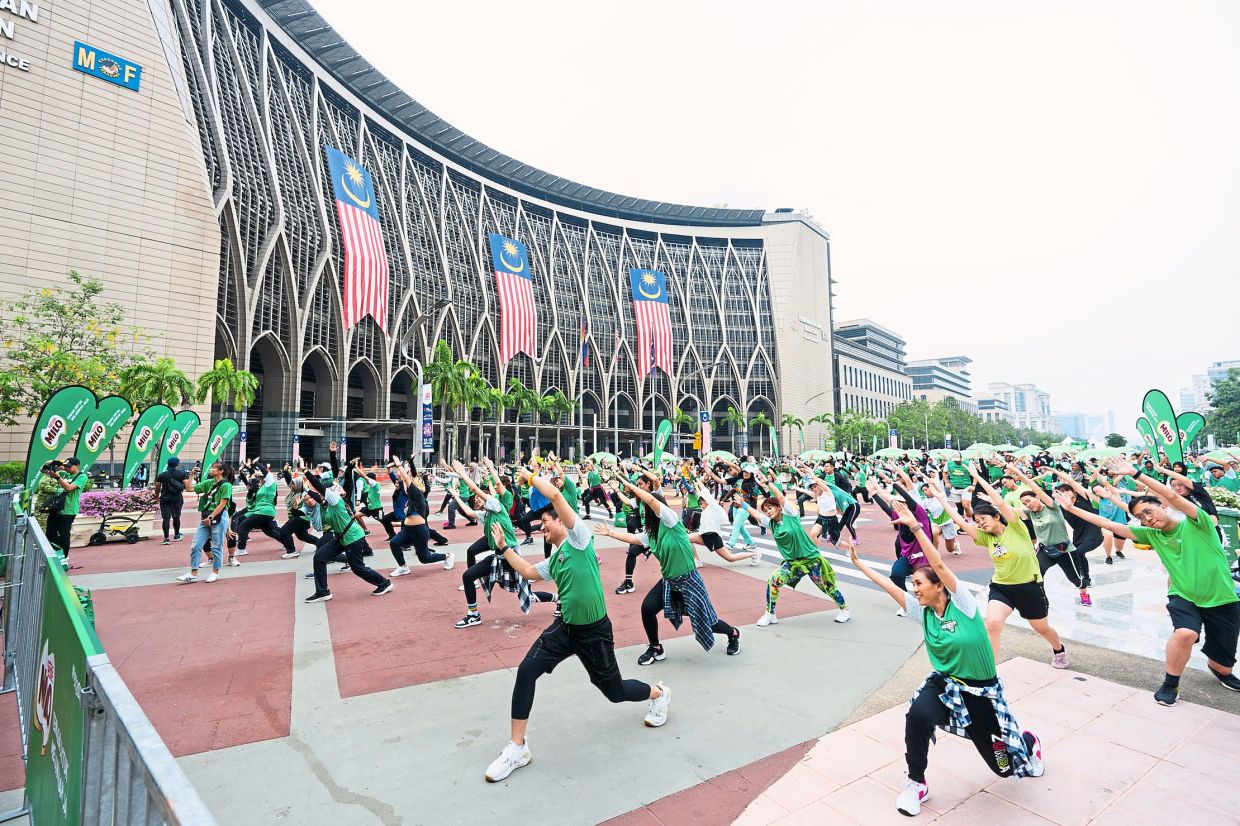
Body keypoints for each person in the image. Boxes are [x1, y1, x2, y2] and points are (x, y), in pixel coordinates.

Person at [848, 505, 1044, 817]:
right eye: (913, 586)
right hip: (946, 684)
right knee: (917, 715)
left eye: (920, 585)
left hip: (982, 694)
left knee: (1003, 768)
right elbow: (889, 588)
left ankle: (1027, 742)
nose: (916, 591)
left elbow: (937, 562)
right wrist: (859, 565)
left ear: (939, 585)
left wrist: (916, 529)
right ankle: (916, 782)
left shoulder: (963, 605)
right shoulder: (922, 613)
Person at [481, 471, 670, 783]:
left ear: (560, 521)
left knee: (615, 691)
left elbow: (555, 496)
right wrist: (503, 549)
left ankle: (658, 693)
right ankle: (517, 748)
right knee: (526, 672)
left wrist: (530, 477)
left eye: (545, 523)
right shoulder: (556, 558)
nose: (542, 527)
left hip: (594, 632)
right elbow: (528, 571)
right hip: (565, 628)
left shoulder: (579, 539)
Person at [1060, 458, 1240, 702]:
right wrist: (1071, 509)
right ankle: (1170, 684)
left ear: (1163, 507)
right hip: (1184, 594)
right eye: (1141, 517)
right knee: (1185, 633)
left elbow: (1176, 497)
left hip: (1222, 597)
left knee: (1222, 666)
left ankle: (1218, 667)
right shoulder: (1151, 534)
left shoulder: (1199, 523)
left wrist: (1136, 473)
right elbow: (1107, 523)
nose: (1146, 518)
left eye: (1148, 511)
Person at [595, 464, 742, 664]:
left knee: (707, 620)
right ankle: (655, 647)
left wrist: (627, 482)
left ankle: (733, 633)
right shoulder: (651, 534)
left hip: (689, 579)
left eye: (647, 509)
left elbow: (649, 499)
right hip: (670, 580)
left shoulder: (670, 521)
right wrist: (610, 533)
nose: (644, 512)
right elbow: (634, 539)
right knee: (647, 608)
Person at [930, 469, 1068, 669]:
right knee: (993, 624)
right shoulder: (986, 538)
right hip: (1001, 587)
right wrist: (942, 499)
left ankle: (1058, 648)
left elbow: (1001, 503)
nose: (980, 523)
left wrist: (977, 478)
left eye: (983, 519)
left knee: (1042, 628)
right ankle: (989, 670)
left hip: (1029, 587)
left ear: (996, 516)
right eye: (977, 521)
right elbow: (960, 521)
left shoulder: (1015, 527)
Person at [742, 475, 850, 626]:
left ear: (779, 507)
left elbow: (780, 496)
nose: (767, 512)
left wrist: (768, 483)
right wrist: (742, 504)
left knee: (827, 587)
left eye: (770, 508)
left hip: (812, 560)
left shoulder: (791, 515)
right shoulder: (772, 524)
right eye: (766, 510)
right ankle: (770, 614)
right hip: (793, 563)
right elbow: (757, 515)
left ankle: (844, 609)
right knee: (773, 581)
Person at [1007, 465, 1093, 608]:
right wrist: (992, 500)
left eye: (1029, 501)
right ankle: (1039, 598)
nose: (1027, 505)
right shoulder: (1030, 513)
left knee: (1075, 579)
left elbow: (1036, 488)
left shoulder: (1052, 508)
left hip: (1064, 550)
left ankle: (1084, 592)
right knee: (1035, 574)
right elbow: (1009, 509)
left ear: (1037, 497)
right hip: (1045, 550)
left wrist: (1016, 471)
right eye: (1024, 503)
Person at [303, 469, 393, 603]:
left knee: (357, 568)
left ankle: (384, 583)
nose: (319, 495)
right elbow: (316, 495)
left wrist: (307, 473)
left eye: (322, 493)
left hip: (353, 537)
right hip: (341, 537)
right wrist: (306, 487)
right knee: (319, 557)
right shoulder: (326, 503)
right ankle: (322, 592)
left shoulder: (334, 499)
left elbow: (319, 487)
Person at [388, 461, 454, 577]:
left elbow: (407, 480)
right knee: (394, 543)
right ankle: (403, 567)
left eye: (416, 480)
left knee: (424, 558)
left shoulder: (419, 495)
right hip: (408, 530)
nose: (413, 480)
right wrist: (407, 467)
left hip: (419, 530)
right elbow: (405, 480)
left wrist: (399, 465)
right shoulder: (410, 496)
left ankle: (447, 556)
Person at [177, 462, 234, 584]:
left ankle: (215, 572)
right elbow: (189, 489)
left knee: (216, 546)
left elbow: (223, 504)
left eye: (214, 468)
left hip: (218, 517)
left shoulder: (226, 485)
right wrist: (191, 475)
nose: (211, 469)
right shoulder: (209, 483)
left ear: (221, 471)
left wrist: (211, 517)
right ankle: (193, 573)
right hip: (206, 517)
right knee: (196, 545)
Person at [234, 468, 297, 560]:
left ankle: (241, 548)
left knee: (243, 526)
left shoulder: (264, 488)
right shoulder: (256, 490)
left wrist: (256, 464)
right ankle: (287, 543)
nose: (261, 480)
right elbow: (246, 483)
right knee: (269, 531)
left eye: (262, 478)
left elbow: (268, 476)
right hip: (259, 511)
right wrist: (242, 474)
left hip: (261, 511)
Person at [42, 457, 88, 560]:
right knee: (50, 533)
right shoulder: (64, 473)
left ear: (77, 466)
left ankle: (64, 557)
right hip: (56, 508)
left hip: (68, 510)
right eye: (65, 466)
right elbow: (43, 471)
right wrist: (49, 465)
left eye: (69, 466)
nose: (66, 468)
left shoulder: (82, 476)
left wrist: (58, 477)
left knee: (64, 535)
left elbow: (69, 488)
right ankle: (52, 555)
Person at [153, 457, 189, 545]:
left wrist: (157, 496)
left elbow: (157, 487)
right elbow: (187, 486)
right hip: (177, 498)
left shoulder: (162, 475)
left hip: (165, 498)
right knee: (176, 517)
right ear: (177, 464)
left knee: (166, 518)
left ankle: (166, 538)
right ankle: (177, 535)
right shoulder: (182, 474)